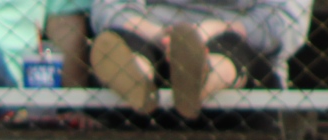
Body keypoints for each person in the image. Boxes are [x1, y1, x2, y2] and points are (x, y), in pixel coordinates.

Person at [84, 0, 309, 117]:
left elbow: (286, 25)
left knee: (232, 48)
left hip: (233, 45)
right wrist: (160, 35)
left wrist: (211, 30)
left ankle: (200, 78)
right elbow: (110, 6)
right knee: (125, 40)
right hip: (151, 34)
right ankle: (137, 78)